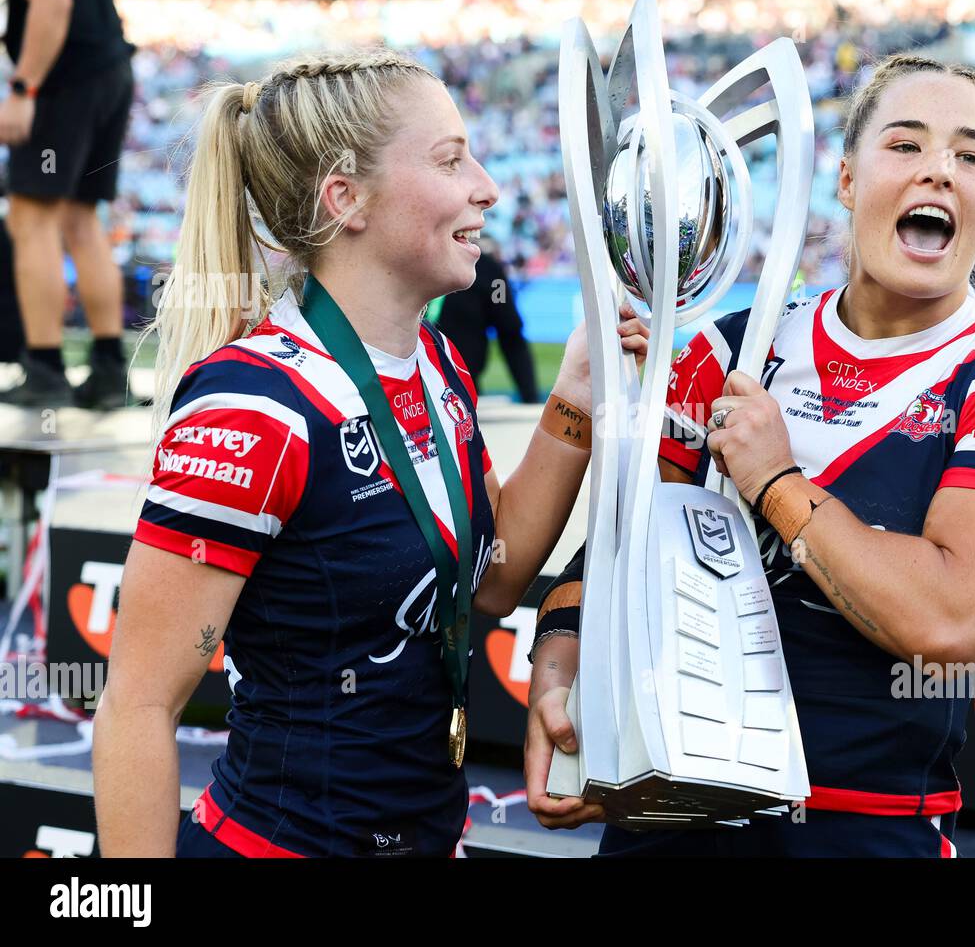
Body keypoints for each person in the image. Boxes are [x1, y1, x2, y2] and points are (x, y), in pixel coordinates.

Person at [524, 54, 975, 856]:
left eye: (971, 156)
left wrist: (776, 483)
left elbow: (950, 620)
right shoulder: (731, 345)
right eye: (906, 145)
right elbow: (614, 551)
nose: (939, 172)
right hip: (670, 814)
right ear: (848, 180)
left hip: (860, 831)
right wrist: (558, 670)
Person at [90, 51, 647, 858]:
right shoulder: (252, 408)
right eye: (451, 160)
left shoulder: (437, 366)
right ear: (346, 198)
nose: (487, 187)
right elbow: (137, 706)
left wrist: (574, 401)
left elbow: (492, 579)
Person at [0, 0, 135, 408]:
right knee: (81, 220)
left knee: (31, 217)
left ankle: (44, 371)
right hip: (110, 71)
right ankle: (109, 371)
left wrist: (24, 89)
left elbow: (54, 1)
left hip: (63, 84)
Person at [435, 236, 540, 402]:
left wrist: (529, 396)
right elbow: (510, 331)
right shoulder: (491, 271)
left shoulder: (492, 273)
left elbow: (510, 329)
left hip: (462, 388)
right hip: (437, 384)